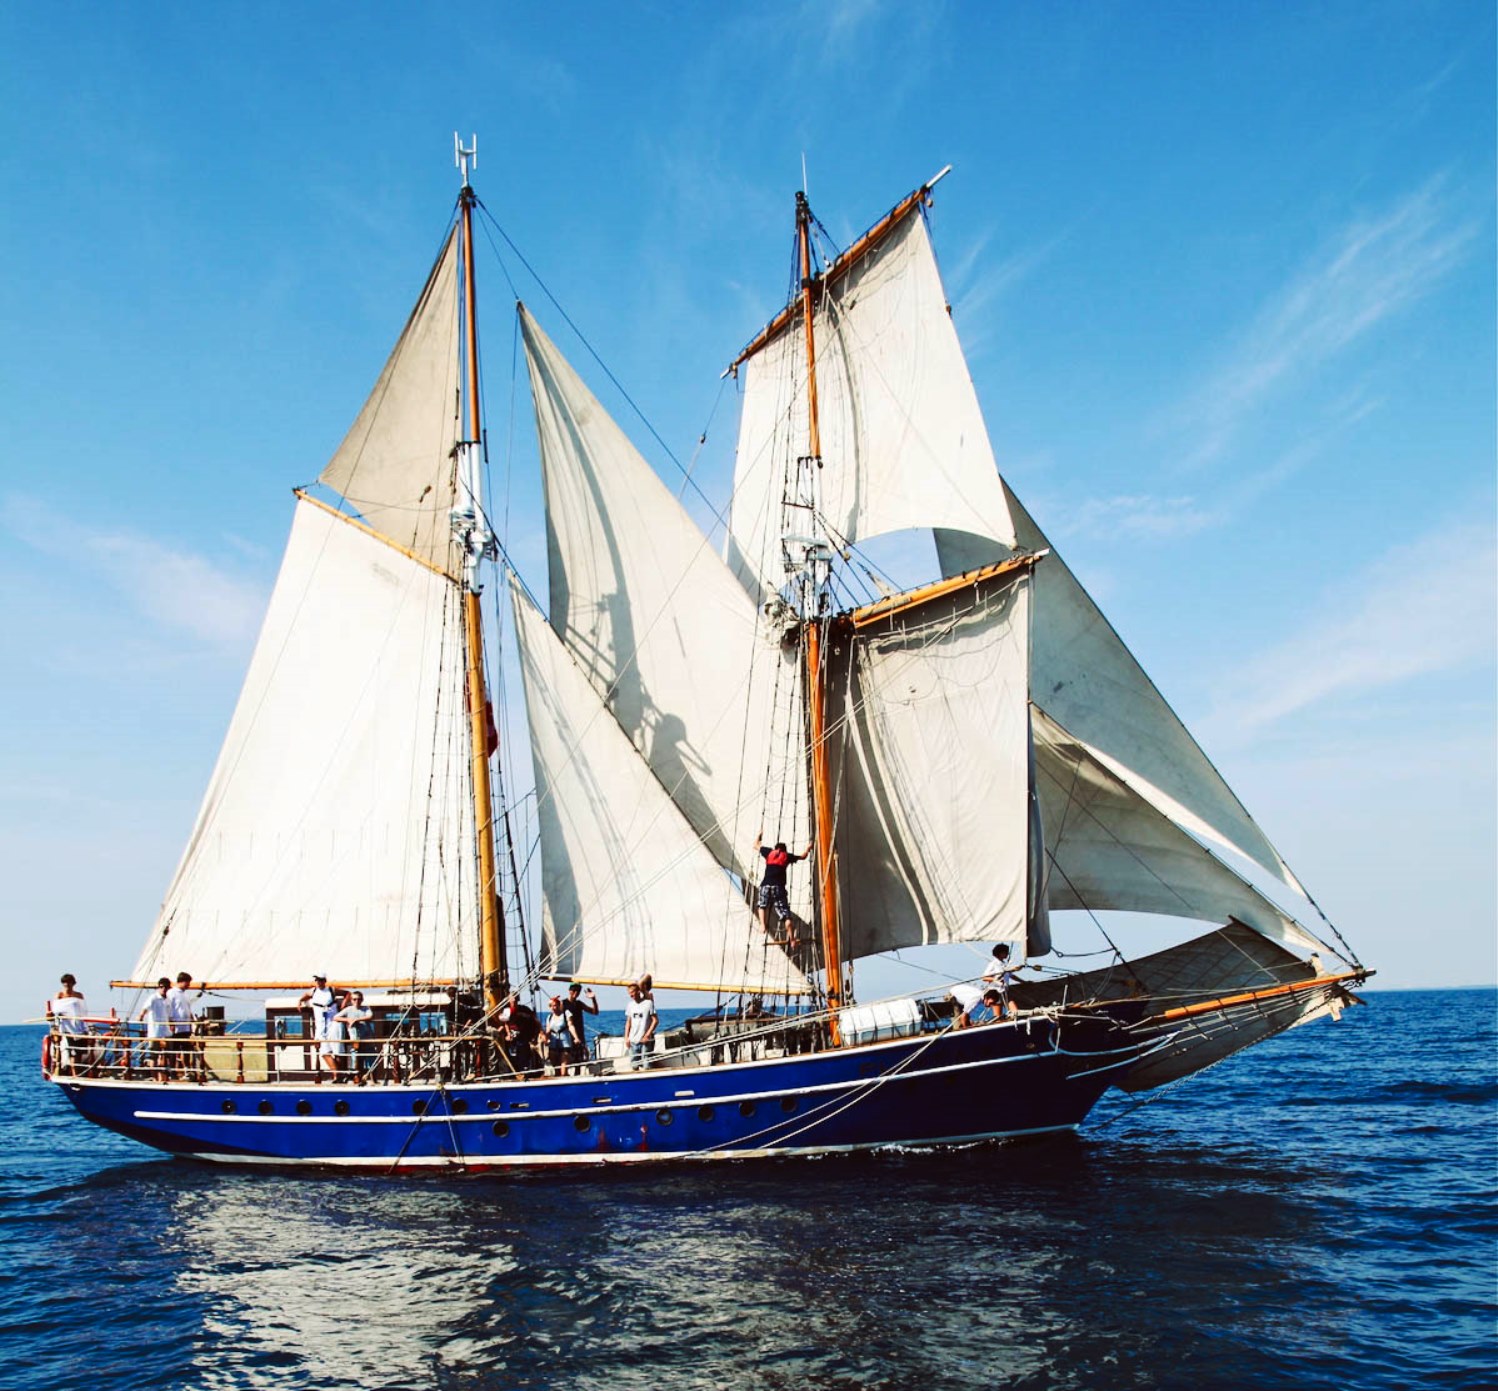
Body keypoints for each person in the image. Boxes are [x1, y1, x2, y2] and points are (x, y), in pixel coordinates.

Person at [754, 833, 812, 950]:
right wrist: (808, 848)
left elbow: (756, 845)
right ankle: (792, 939)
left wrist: (759, 835)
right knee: (785, 914)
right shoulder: (787, 856)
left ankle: (762, 925)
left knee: (762, 905)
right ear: (785, 850)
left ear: (776, 848)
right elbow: (803, 856)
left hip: (765, 885)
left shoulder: (769, 852)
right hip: (778, 887)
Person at [298, 974, 343, 1079]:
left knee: (337, 1051)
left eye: (321, 980)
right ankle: (337, 1074)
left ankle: (338, 1075)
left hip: (334, 1024)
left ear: (325, 981)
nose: (318, 982)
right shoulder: (313, 991)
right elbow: (305, 995)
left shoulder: (331, 990)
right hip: (321, 1026)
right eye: (317, 980)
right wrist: (300, 1001)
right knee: (324, 1052)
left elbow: (347, 993)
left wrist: (343, 1004)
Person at [334, 990, 375, 1083]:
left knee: (371, 1062)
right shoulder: (348, 1009)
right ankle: (357, 1080)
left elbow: (370, 1016)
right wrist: (348, 1020)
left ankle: (373, 1080)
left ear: (362, 1000)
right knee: (355, 1062)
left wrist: (356, 1020)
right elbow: (335, 1017)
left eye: (359, 999)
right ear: (351, 1000)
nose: (357, 1001)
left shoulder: (366, 1008)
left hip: (367, 1040)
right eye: (354, 999)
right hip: (354, 1041)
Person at [52, 974, 89, 1075]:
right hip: (67, 1028)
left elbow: (83, 1010)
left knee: (79, 1051)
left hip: (79, 1027)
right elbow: (56, 1011)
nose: (67, 984)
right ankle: (74, 1073)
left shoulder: (79, 996)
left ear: (73, 983)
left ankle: (79, 1071)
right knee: (72, 1052)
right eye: (64, 982)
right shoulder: (59, 995)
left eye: (69, 982)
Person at [137, 978, 173, 1080]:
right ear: (158, 987)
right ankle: (154, 1077)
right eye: (161, 987)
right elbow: (145, 1008)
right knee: (153, 1056)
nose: (163, 989)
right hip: (154, 1033)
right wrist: (140, 1016)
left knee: (166, 1055)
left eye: (166, 987)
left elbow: (169, 1016)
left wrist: (172, 1026)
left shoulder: (168, 1000)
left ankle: (164, 1077)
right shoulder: (153, 998)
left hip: (166, 1032)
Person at [167, 972, 200, 1080]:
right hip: (176, 1027)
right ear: (182, 981)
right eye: (188, 983)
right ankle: (172, 1072)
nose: (189, 985)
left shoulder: (185, 995)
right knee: (173, 1050)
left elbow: (187, 1009)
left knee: (186, 1050)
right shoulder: (171, 993)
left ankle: (187, 1071)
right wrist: (171, 1022)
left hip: (185, 1027)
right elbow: (169, 1008)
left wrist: (191, 1021)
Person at [562, 982, 598, 1068]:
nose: (576, 993)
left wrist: (593, 999)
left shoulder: (579, 1004)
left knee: (579, 1062)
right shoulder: (563, 1003)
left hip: (579, 1036)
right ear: (569, 991)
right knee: (566, 1062)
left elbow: (595, 1012)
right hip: (567, 1037)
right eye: (574, 990)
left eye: (578, 991)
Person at [624, 981, 657, 1070]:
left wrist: (647, 1035)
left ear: (638, 992)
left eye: (632, 993)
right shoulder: (630, 1005)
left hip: (645, 1041)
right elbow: (628, 1022)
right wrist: (626, 1037)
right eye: (629, 993)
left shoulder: (648, 1003)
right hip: (633, 1040)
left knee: (646, 1066)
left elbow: (655, 1021)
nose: (630, 995)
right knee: (634, 1065)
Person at [542, 996, 577, 1075]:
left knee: (563, 1069)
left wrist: (576, 1037)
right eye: (551, 1006)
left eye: (555, 1005)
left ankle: (565, 1076)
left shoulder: (566, 1014)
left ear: (558, 1005)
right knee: (556, 1069)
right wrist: (545, 1039)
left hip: (565, 1043)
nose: (553, 1008)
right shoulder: (549, 1017)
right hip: (553, 1044)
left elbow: (571, 1026)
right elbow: (548, 1030)